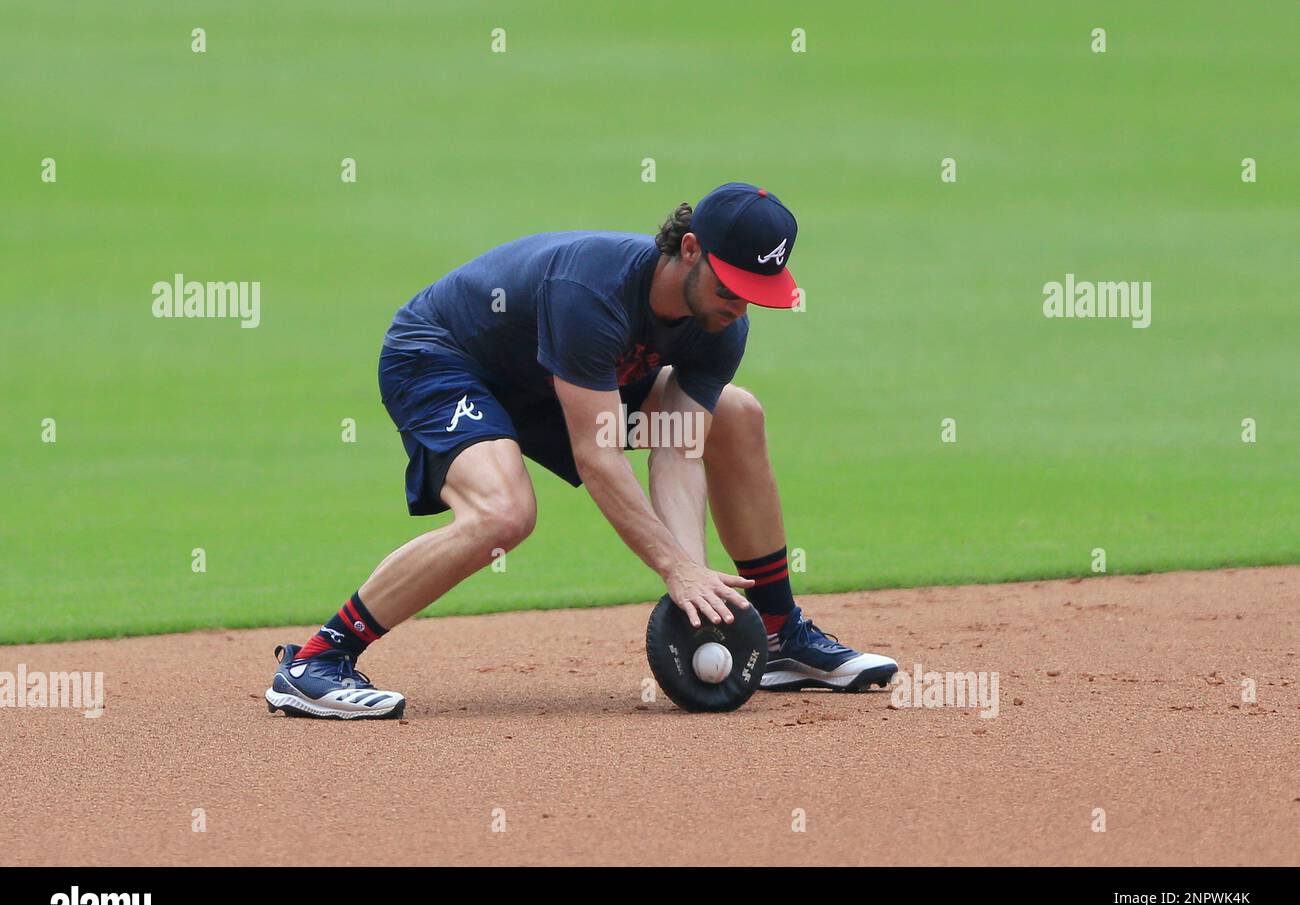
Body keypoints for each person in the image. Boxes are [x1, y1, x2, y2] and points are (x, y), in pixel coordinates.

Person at [264, 182, 898, 719]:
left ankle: (779, 629)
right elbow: (598, 457)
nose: (742, 304)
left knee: (734, 414)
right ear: (690, 250)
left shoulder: (719, 324)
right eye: (733, 284)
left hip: (560, 379)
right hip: (446, 359)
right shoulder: (593, 293)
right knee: (502, 515)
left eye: (757, 290)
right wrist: (675, 570)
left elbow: (677, 450)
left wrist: (701, 595)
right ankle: (318, 660)